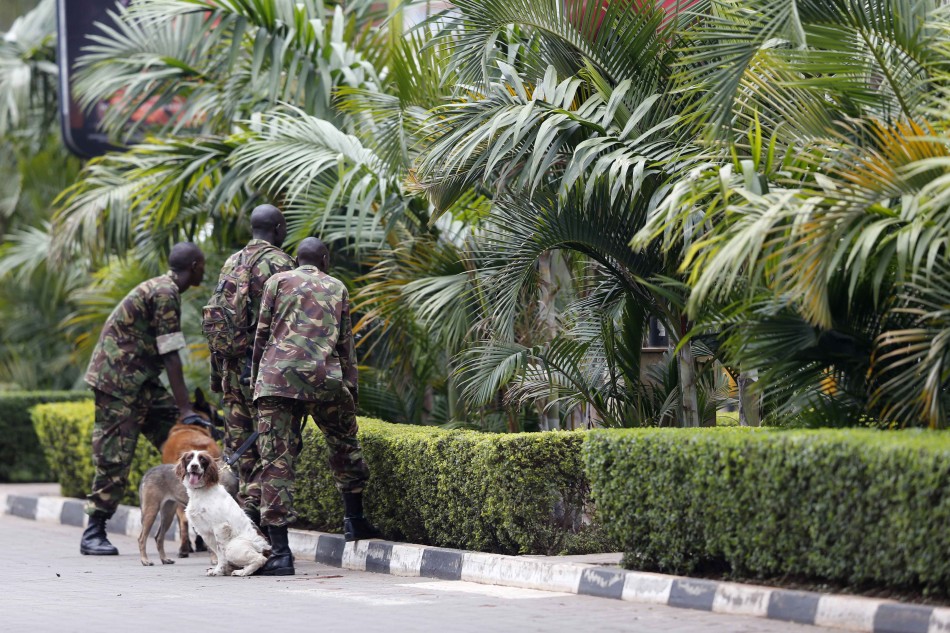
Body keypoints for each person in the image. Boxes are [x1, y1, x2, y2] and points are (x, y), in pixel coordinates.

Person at [250, 237, 378, 576]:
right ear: (324, 259)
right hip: (325, 379)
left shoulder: (277, 281)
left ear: (297, 259)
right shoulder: (337, 286)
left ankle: (280, 554)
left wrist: (256, 386)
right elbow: (346, 342)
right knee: (344, 446)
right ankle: (354, 522)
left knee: (276, 462)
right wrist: (351, 389)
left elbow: (261, 336)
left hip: (276, 380)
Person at [80, 242, 206, 556]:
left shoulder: (165, 289)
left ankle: (200, 526)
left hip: (142, 383)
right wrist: (185, 406)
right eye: (202, 265)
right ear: (193, 265)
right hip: (117, 383)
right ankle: (93, 532)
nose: (204, 269)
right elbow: (171, 352)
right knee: (115, 455)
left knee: (181, 441)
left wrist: (184, 414)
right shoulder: (165, 293)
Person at [209, 204, 294, 528]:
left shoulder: (231, 262)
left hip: (230, 372)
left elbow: (218, 321)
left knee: (242, 451)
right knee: (272, 448)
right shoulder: (281, 263)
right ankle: (259, 519)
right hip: (263, 374)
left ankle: (246, 513)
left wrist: (218, 377)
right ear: (276, 228)